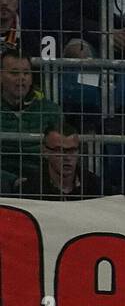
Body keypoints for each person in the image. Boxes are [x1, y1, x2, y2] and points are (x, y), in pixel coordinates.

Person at [0, 50, 62, 187]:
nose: (21, 78)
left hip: (39, 181)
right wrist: (11, 180)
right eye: (14, 73)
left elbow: (59, 154)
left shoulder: (50, 110)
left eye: (26, 73)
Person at [18, 121, 103, 199]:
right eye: (60, 150)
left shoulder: (97, 186)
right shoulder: (29, 189)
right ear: (45, 152)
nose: (67, 157)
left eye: (72, 150)